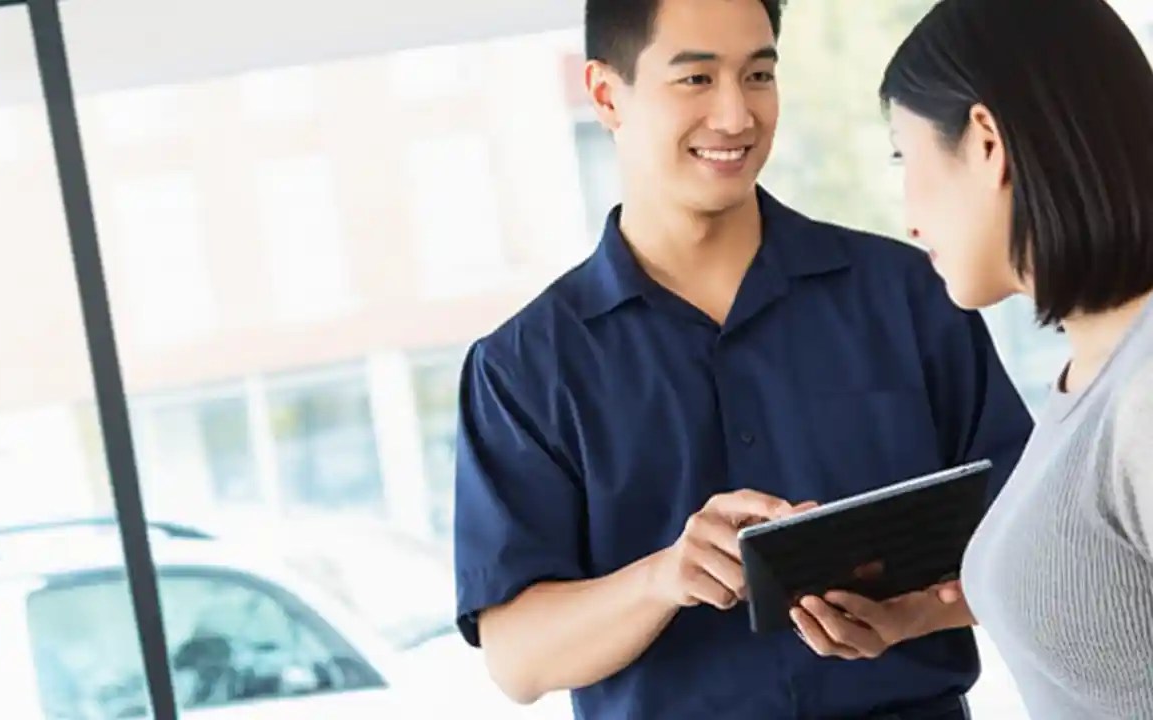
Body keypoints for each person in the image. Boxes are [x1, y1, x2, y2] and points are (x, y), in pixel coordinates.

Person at [452, 0, 1033, 717]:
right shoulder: (522, 369)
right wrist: (665, 577)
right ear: (605, 94)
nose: (736, 117)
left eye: (758, 75)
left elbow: (1031, 547)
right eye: (696, 79)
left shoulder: (910, 295)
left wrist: (909, 616)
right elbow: (518, 659)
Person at [870, 0, 1153, 717]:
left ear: (986, 142)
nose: (908, 218)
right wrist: (925, 611)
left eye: (906, 156)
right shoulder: (1091, 373)